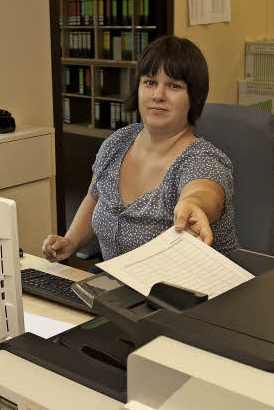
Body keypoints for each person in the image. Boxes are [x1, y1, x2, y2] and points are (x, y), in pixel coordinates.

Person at [42, 35, 239, 263]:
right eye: (150, 82)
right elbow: (94, 197)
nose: (158, 95)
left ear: (193, 97)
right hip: (123, 289)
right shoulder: (118, 142)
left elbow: (205, 193)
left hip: (198, 293)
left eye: (174, 86)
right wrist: (71, 241)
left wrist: (192, 205)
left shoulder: (203, 159)